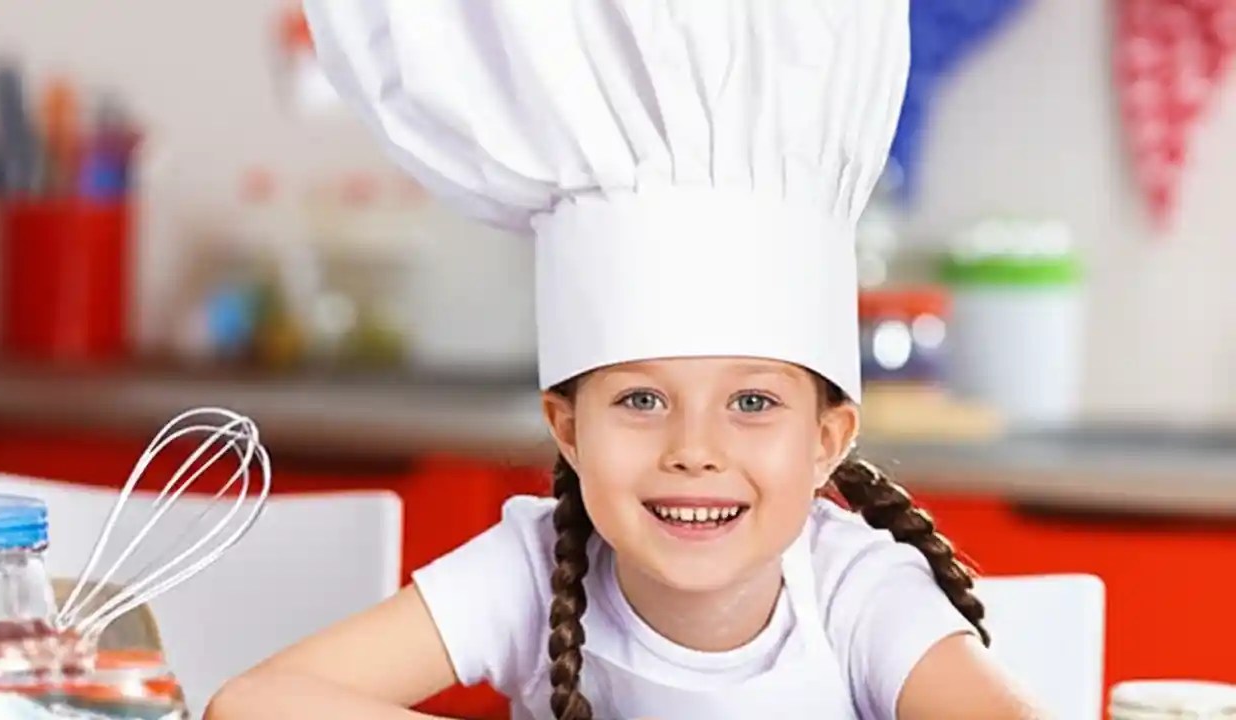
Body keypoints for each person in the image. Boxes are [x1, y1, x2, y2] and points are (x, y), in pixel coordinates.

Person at [206, 1, 1044, 718]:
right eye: (642, 400)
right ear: (567, 427)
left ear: (828, 438)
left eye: (752, 403)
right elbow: (252, 704)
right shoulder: (532, 570)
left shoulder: (855, 591)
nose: (694, 449)